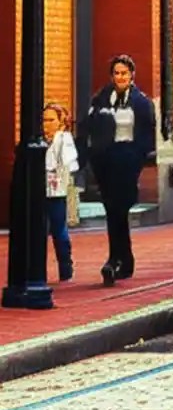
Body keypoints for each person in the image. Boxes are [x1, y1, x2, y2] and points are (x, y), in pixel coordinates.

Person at [82, 54, 157, 286]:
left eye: (124, 73)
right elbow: (90, 128)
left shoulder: (142, 103)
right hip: (106, 161)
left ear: (131, 75)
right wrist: (93, 156)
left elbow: (148, 135)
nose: (120, 77)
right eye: (117, 73)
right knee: (112, 211)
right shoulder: (101, 98)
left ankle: (117, 259)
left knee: (119, 209)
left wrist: (138, 159)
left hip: (127, 160)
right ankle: (122, 259)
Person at [42, 103, 79, 281]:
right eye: (44, 120)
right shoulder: (38, 139)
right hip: (39, 192)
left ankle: (66, 268)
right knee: (39, 232)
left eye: (51, 120)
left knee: (59, 231)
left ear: (60, 122)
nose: (46, 124)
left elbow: (69, 163)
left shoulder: (65, 139)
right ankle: (37, 271)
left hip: (57, 192)